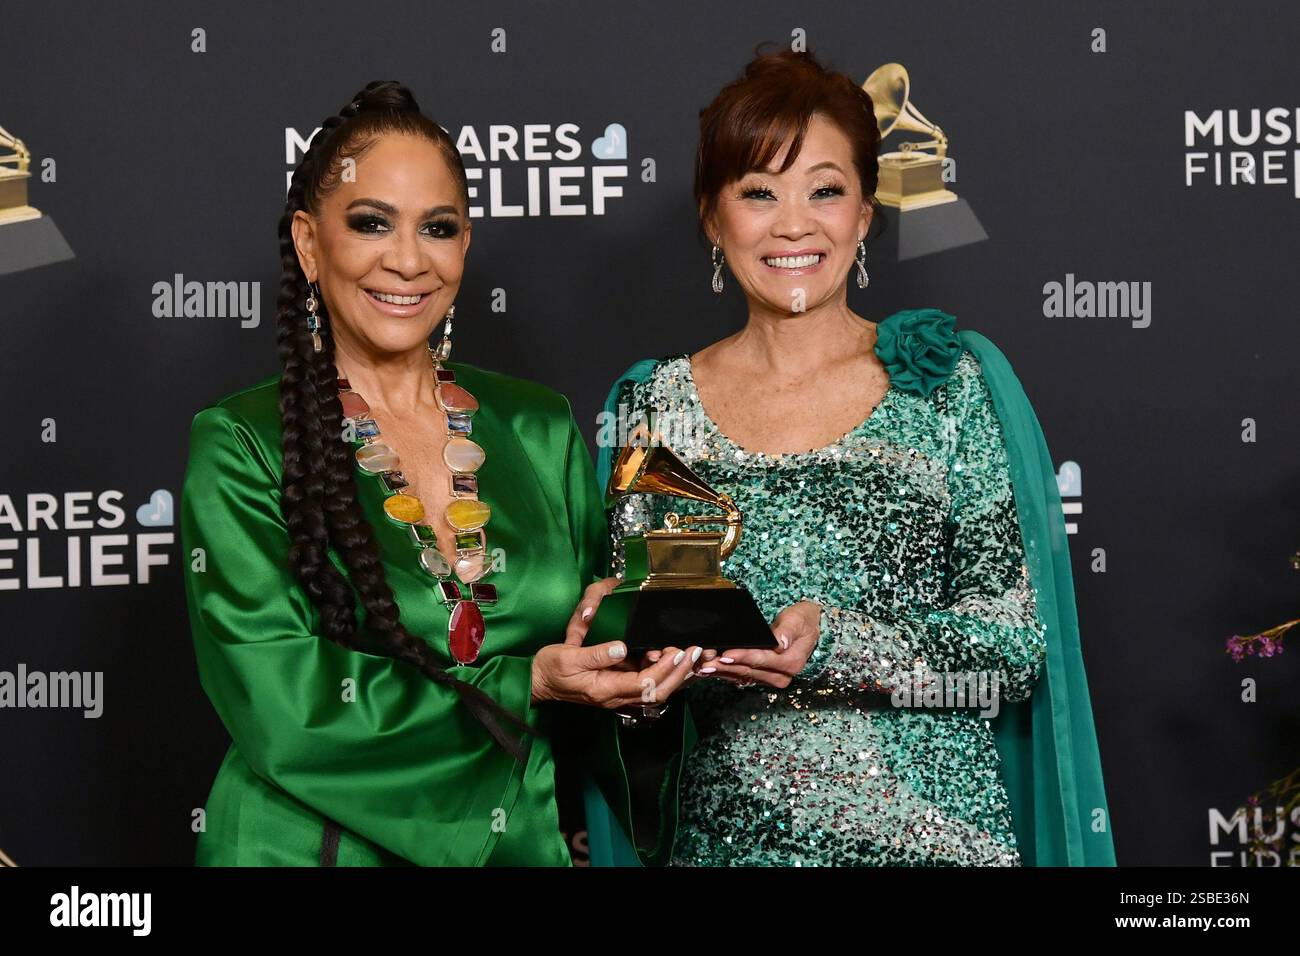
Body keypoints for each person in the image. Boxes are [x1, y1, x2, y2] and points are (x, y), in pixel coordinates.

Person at [582, 49, 1116, 866]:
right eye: (759, 192)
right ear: (712, 216)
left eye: (825, 190)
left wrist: (835, 643)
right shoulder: (655, 407)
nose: (794, 224)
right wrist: (621, 648)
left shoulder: (948, 384)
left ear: (866, 212)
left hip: (938, 845)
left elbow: (1014, 643)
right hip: (728, 846)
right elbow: (650, 648)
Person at [180, 80, 699, 866]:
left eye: (439, 228)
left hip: (515, 845)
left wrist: (636, 640)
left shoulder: (538, 425)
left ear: (465, 246)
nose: (408, 260)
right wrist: (525, 686)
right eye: (370, 223)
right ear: (309, 244)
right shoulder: (240, 442)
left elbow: (593, 672)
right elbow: (281, 700)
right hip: (304, 850)